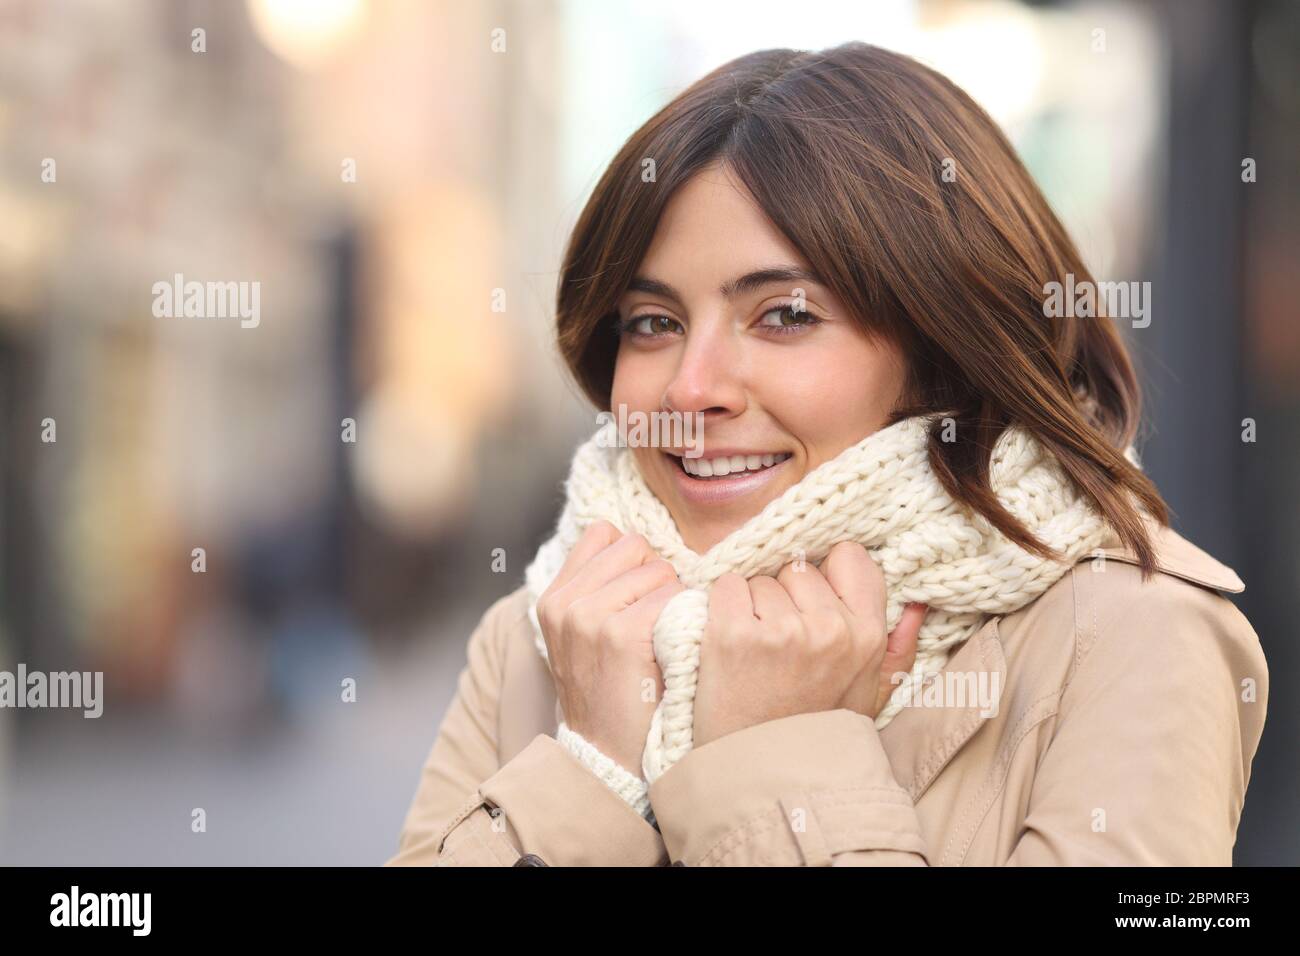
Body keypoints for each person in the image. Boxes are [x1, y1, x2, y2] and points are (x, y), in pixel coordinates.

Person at [386, 42, 1267, 866]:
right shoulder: (550, 633)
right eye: (653, 322)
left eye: (785, 315)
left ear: (941, 346)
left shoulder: (1135, 640)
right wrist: (592, 777)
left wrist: (778, 759)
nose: (692, 391)